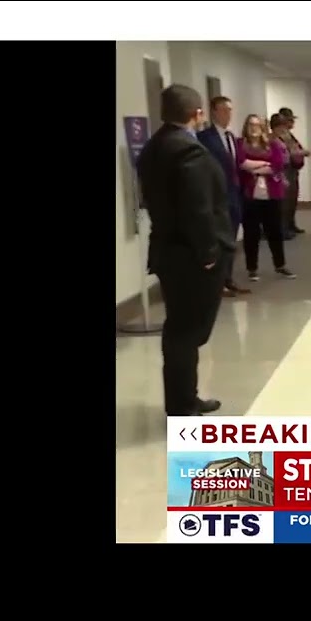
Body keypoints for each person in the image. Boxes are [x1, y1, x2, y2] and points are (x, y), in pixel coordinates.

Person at [136, 84, 233, 417]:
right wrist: (208, 253)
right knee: (186, 332)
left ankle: (185, 398)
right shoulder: (187, 150)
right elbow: (197, 208)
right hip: (190, 257)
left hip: (168, 250)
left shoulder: (153, 146)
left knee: (181, 330)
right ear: (197, 114)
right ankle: (182, 405)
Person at [196, 96, 250, 297]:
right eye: (224, 110)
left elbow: (236, 165)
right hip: (216, 197)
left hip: (234, 195)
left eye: (230, 110)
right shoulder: (204, 138)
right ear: (214, 112)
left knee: (231, 241)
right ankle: (217, 283)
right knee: (219, 240)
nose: (228, 114)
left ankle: (228, 279)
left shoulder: (232, 138)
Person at [236, 113, 296, 282]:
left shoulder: (272, 145)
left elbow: (277, 165)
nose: (254, 128)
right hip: (249, 195)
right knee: (251, 232)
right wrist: (263, 164)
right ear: (246, 127)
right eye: (251, 125)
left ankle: (280, 265)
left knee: (274, 231)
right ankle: (252, 268)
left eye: (258, 124)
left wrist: (253, 167)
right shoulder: (240, 144)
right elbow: (241, 163)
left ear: (263, 127)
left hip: (271, 194)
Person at [275, 108, 311, 238]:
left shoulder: (289, 135)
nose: (292, 123)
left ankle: (290, 224)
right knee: (285, 201)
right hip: (285, 170)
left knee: (292, 200)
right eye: (290, 120)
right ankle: (283, 228)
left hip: (292, 170)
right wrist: (303, 152)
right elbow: (288, 152)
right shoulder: (279, 136)